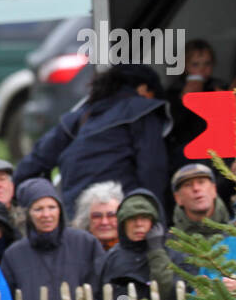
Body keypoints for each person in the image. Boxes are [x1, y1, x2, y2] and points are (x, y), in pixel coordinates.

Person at [15, 63, 170, 218]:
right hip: (119, 214)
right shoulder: (142, 109)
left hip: (75, 214)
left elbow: (33, 163)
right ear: (143, 89)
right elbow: (151, 167)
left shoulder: (82, 116)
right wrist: (157, 216)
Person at [164, 39, 229, 174]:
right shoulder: (174, 91)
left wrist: (224, 101)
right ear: (184, 66)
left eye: (207, 64)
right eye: (195, 65)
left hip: (215, 148)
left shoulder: (218, 87)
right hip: (185, 150)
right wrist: (183, 99)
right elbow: (170, 126)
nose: (201, 69)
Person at [169, 162, 232, 238]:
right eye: (188, 185)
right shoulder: (168, 243)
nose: (196, 188)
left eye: (201, 182)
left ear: (214, 190)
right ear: (177, 198)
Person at [71, 181, 123, 251]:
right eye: (97, 216)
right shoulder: (74, 250)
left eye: (111, 215)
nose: (104, 222)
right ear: (86, 221)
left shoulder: (135, 251)